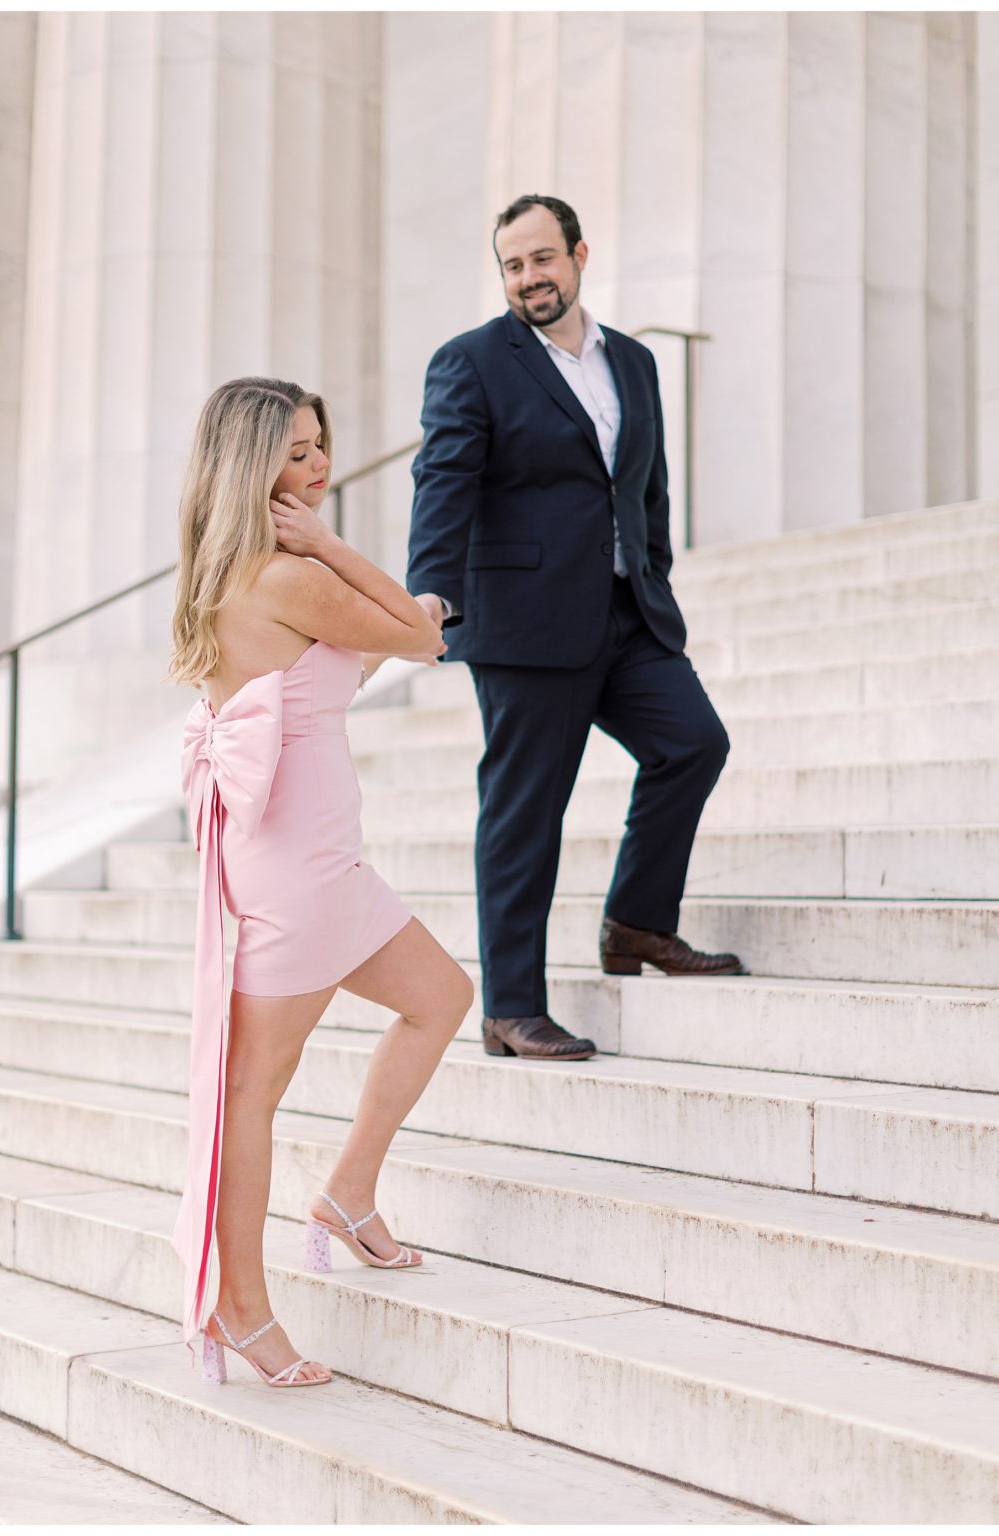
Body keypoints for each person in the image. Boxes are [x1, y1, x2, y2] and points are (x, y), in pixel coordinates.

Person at [169, 377, 472, 1388]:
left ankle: (346, 1193)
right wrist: (337, 546)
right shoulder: (281, 576)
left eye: (319, 447)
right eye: (293, 454)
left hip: (324, 860)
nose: (315, 468)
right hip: (295, 871)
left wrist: (386, 602)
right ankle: (241, 1312)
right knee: (253, 1091)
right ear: (250, 468)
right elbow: (421, 635)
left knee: (439, 997)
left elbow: (378, 647)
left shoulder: (244, 574)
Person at [407, 194, 744, 1065]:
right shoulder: (472, 362)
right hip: (523, 623)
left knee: (693, 744)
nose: (529, 279)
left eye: (541, 260)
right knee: (524, 814)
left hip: (627, 614)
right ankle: (511, 1008)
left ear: (579, 255)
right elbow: (442, 480)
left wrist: (654, 574)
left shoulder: (630, 361)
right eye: (512, 266)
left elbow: (647, 485)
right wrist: (432, 595)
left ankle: (635, 924)